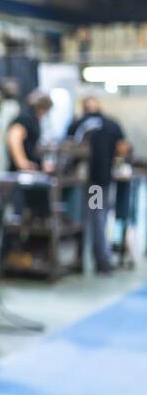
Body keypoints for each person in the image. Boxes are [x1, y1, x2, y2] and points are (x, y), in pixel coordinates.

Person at [68, 91, 131, 274]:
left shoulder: (78, 124)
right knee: (97, 220)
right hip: (98, 182)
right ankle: (101, 262)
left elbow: (68, 147)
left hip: (77, 183)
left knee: (80, 220)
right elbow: (123, 148)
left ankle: (79, 260)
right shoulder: (111, 124)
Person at [6, 90, 54, 219]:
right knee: (21, 211)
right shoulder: (25, 118)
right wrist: (22, 162)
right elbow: (13, 137)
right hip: (22, 174)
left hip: (30, 172)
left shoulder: (33, 119)